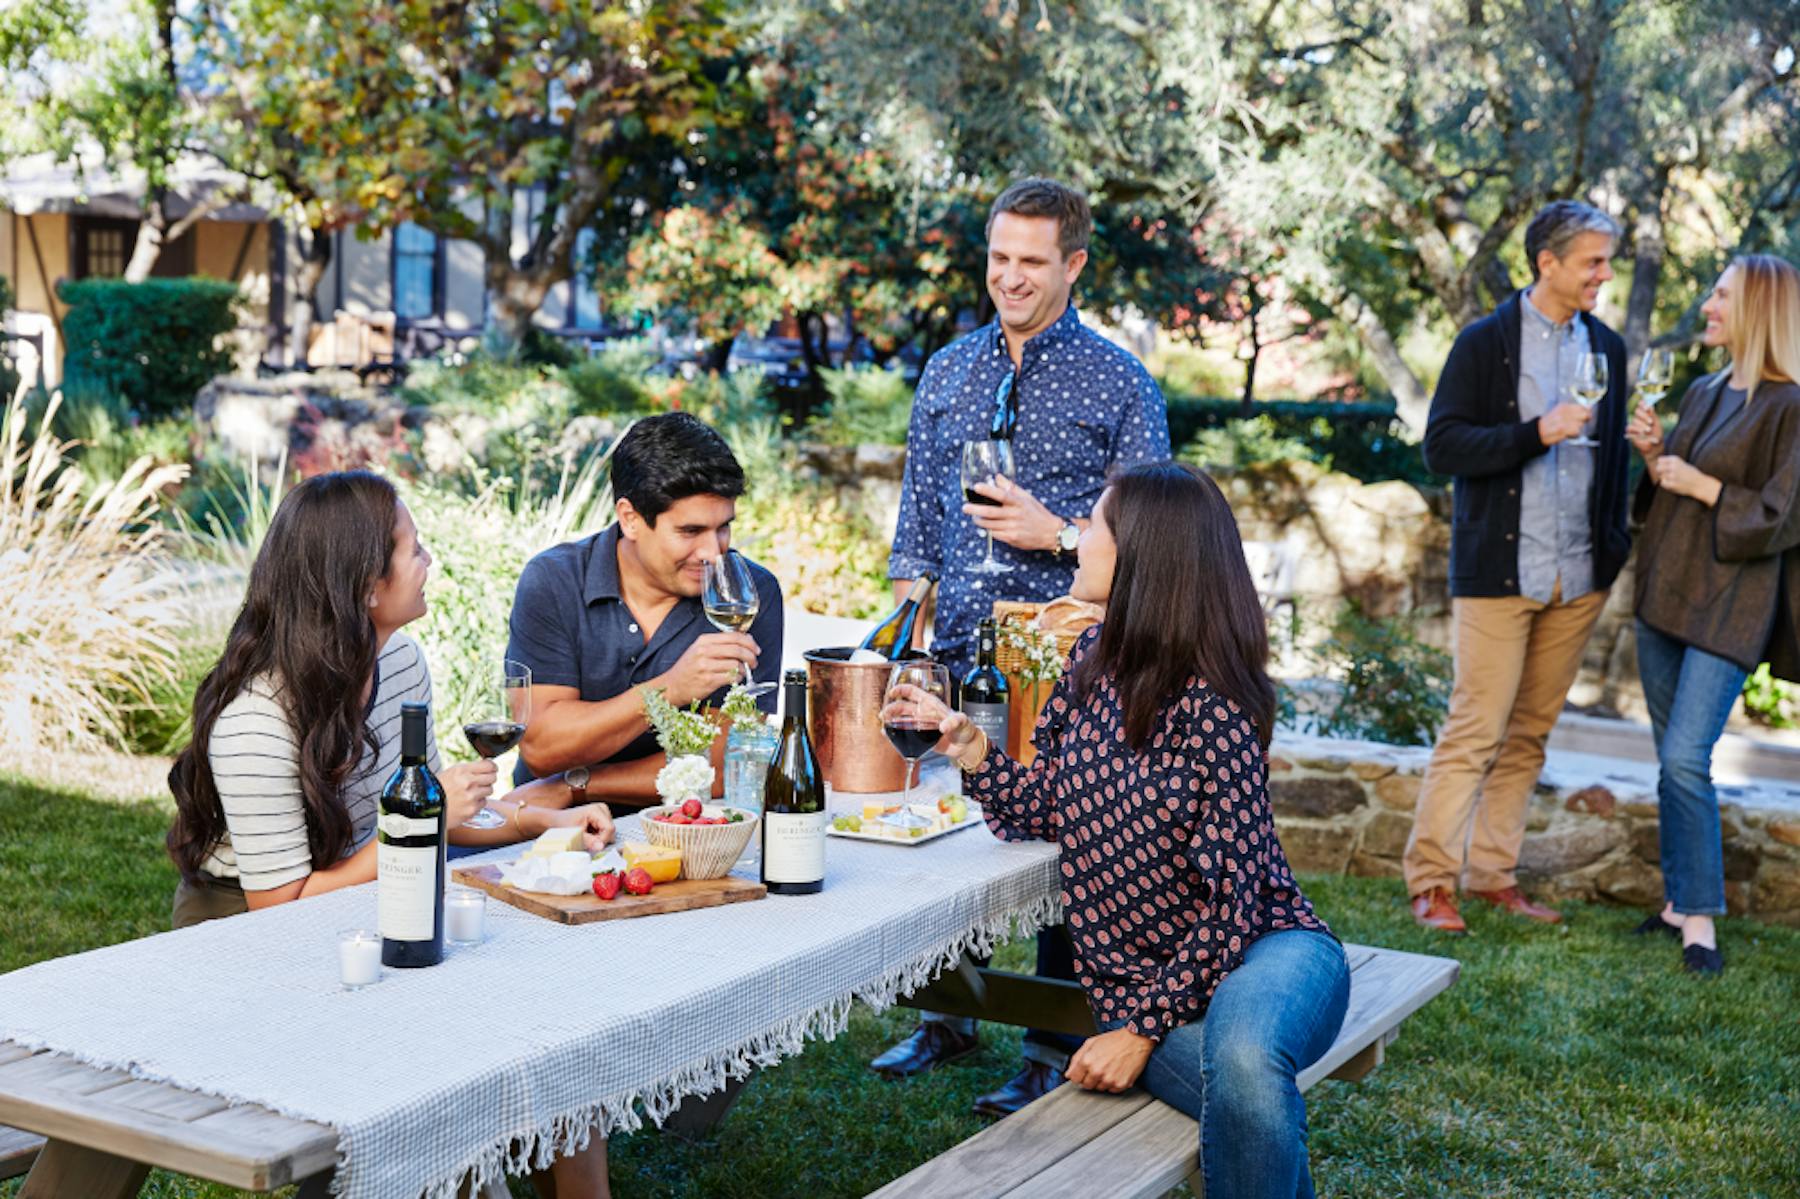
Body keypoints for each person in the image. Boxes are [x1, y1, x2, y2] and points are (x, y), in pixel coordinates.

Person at [887, 461, 1347, 1199]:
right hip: (1145, 994)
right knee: (1248, 1101)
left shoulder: (1215, 707)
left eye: (1094, 525)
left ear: (1145, 556)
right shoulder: (1089, 664)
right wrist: (972, 752)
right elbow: (1047, 807)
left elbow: (1234, 903)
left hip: (1268, 953)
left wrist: (1140, 1029)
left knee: (1242, 1062)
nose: (1077, 540)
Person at [166, 471, 618, 1196]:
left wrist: (539, 821)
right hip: (245, 925)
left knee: (543, 1004)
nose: (429, 559)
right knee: (426, 1059)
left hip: (369, 883)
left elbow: (429, 815)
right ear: (364, 585)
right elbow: (280, 905)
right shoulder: (255, 718)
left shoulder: (400, 661)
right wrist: (421, 827)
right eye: (412, 548)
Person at [879, 176, 1171, 1115]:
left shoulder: (1121, 382)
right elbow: (919, 511)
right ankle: (950, 1010)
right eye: (999, 258)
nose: (1009, 277)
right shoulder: (950, 369)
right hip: (957, 644)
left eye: (1031, 262)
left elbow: (1153, 543)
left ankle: (1051, 1038)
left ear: (1074, 264)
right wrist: (906, 617)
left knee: (1069, 836)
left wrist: (1054, 531)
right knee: (951, 825)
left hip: (1069, 662)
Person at [1403, 200, 1633, 933]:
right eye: (1593, 261)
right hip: (1500, 575)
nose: (1604, 273)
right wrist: (1539, 430)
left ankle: (1494, 874)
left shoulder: (1608, 348)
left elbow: (1614, 461)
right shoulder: (1484, 342)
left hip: (1577, 577)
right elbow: (1442, 447)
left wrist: (1614, 545)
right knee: (1474, 730)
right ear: (1549, 263)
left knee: (1531, 733)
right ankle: (1433, 880)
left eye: (1607, 260)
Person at [1625, 254, 1800, 976]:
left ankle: (1699, 919)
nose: (1707, 305)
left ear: (1757, 308)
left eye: (1721, 295)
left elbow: (1781, 514)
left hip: (1733, 604)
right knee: (1672, 760)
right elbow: (1671, 489)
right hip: (1664, 589)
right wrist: (1656, 455)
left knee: (1685, 758)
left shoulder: (1790, 406)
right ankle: (1678, 902)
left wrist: (1700, 485)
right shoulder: (1700, 390)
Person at [506, 412, 784, 808]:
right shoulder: (554, 581)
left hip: (688, 826)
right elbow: (542, 748)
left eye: (723, 527)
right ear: (630, 519)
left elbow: (727, 766)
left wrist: (579, 784)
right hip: (550, 833)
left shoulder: (750, 595)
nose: (712, 552)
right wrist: (671, 688)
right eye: (690, 532)